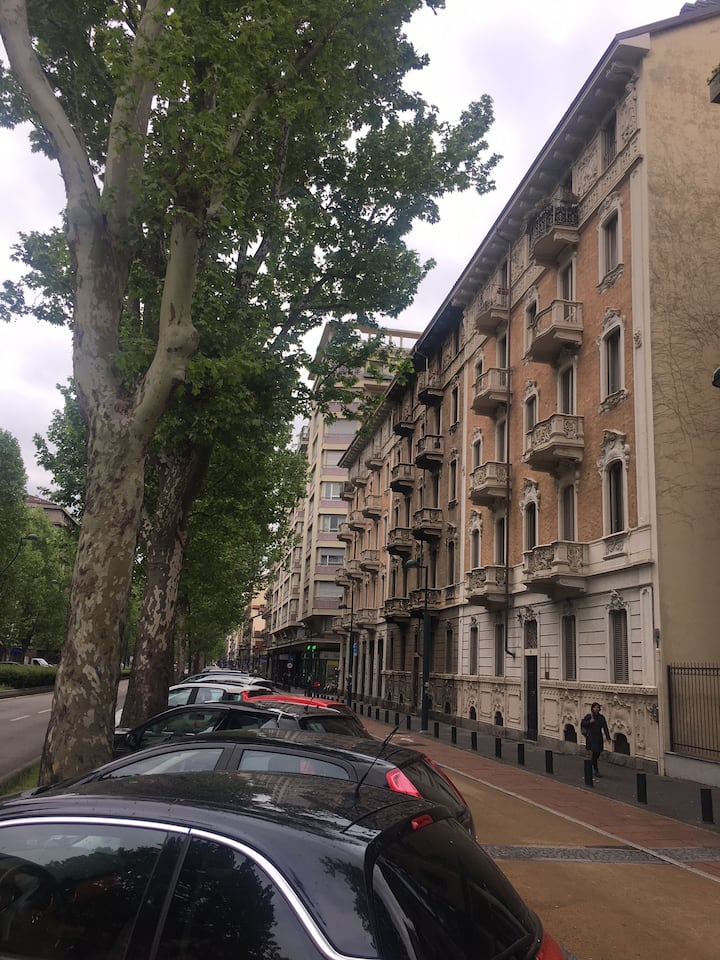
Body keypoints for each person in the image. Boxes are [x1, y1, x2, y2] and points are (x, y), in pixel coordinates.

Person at [581, 702, 611, 778]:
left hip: (598, 737)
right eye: (595, 707)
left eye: (597, 707)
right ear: (592, 708)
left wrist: (608, 737)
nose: (596, 709)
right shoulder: (589, 716)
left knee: (597, 753)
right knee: (594, 752)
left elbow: (605, 727)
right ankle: (596, 770)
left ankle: (590, 765)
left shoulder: (601, 718)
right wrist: (589, 722)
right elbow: (583, 723)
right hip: (591, 737)